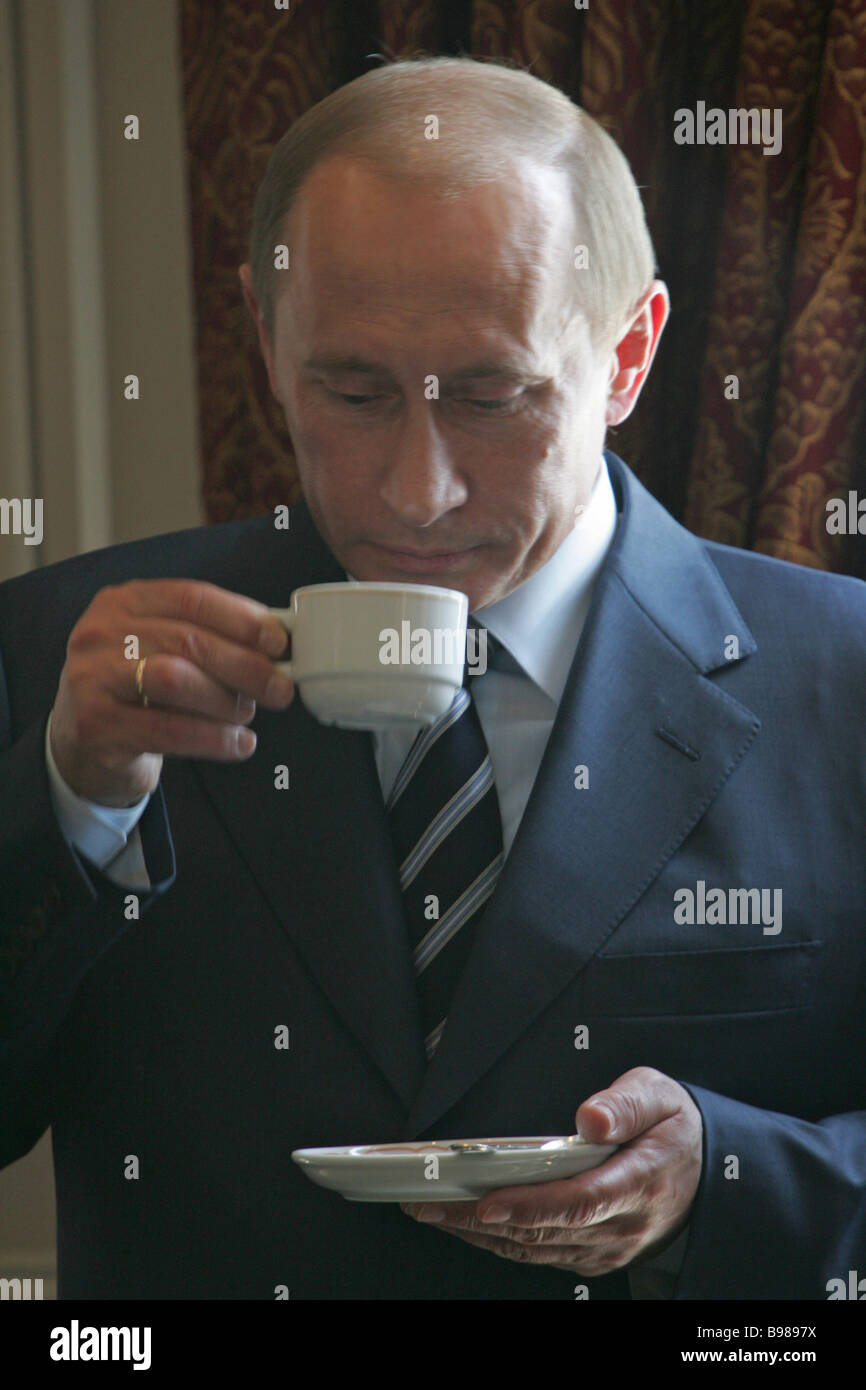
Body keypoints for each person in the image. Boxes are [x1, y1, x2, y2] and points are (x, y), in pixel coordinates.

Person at [1, 56, 863, 1301]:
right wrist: (68, 803)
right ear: (263, 331)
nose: (417, 491)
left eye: (491, 394)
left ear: (627, 356)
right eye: (351, 391)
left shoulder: (840, 683)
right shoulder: (52, 654)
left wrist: (722, 1178)